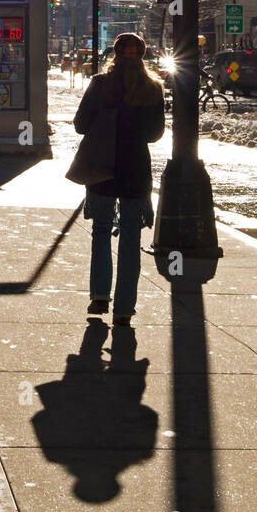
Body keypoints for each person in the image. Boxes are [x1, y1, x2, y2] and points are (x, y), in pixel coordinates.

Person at [73, 31, 165, 327]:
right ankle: (124, 309)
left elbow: (80, 125)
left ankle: (100, 294)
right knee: (130, 238)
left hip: (102, 166)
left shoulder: (100, 85)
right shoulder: (153, 89)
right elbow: (155, 135)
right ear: (142, 54)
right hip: (135, 169)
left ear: (115, 53)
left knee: (101, 230)